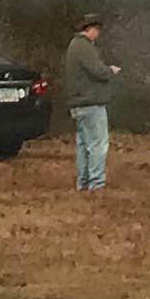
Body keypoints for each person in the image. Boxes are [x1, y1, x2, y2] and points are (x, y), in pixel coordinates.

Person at [62, 16, 121, 192]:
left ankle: (83, 183)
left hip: (78, 104)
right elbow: (98, 71)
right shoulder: (84, 46)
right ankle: (96, 184)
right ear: (90, 29)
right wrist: (110, 71)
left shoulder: (74, 45)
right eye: (97, 30)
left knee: (83, 146)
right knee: (97, 145)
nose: (98, 34)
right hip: (90, 102)